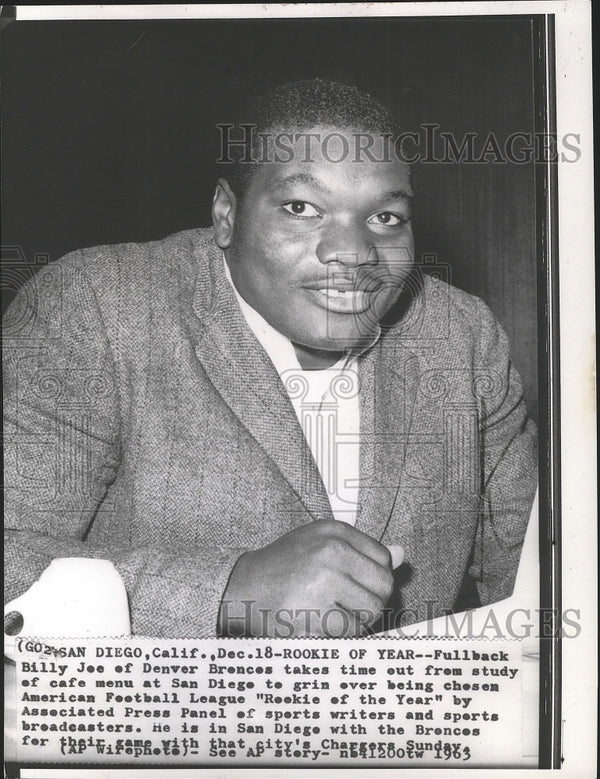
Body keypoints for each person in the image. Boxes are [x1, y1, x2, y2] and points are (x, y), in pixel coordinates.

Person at [3, 79, 537, 639]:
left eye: (385, 217)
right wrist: (227, 591)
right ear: (226, 214)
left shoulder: (461, 336)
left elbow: (545, 570)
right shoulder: (98, 307)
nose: (354, 253)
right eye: (302, 208)